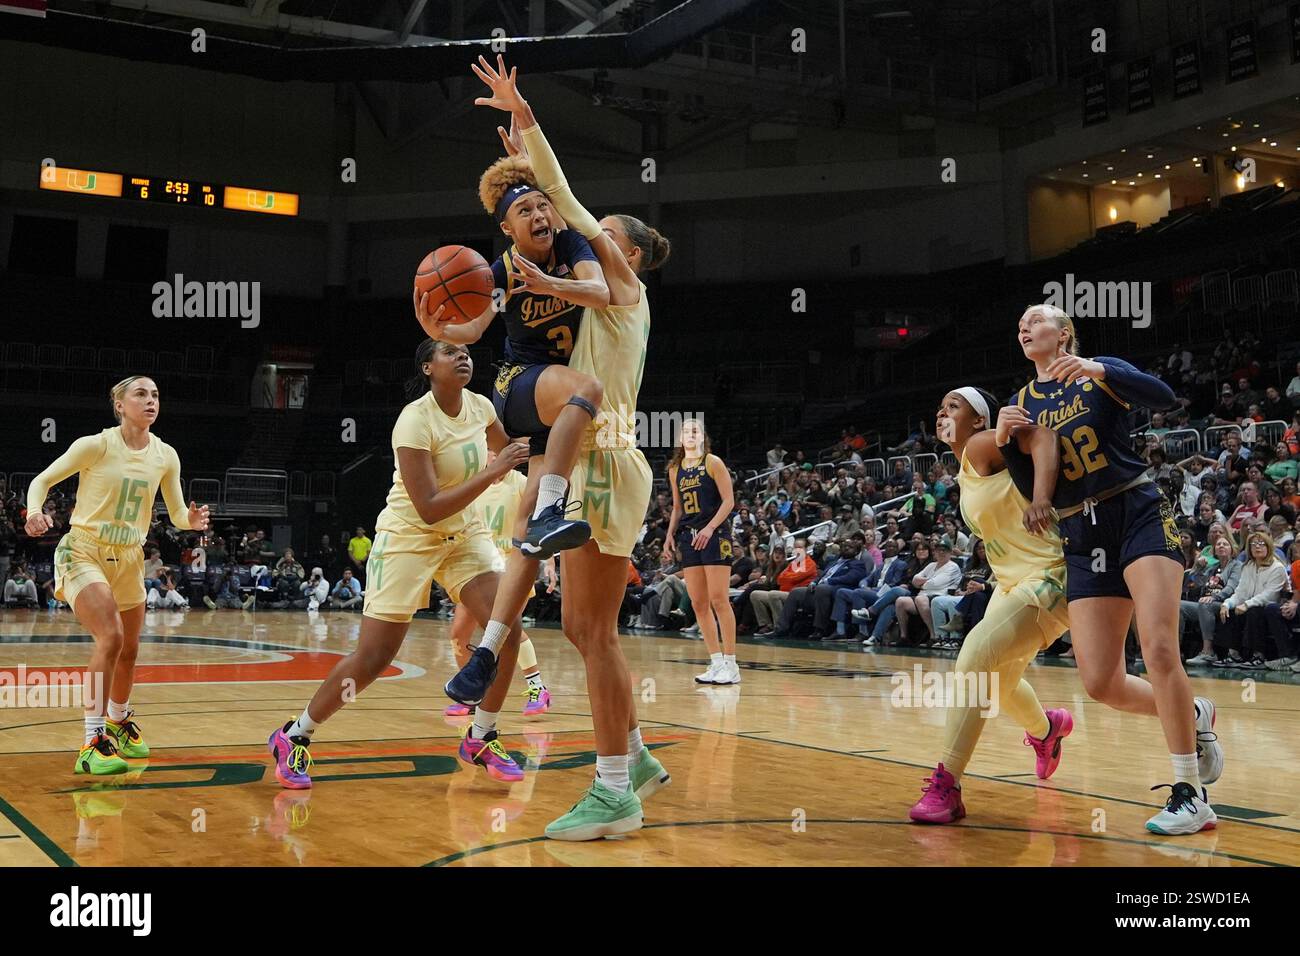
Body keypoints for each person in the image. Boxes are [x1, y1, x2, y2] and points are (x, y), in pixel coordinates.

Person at [461, 55, 675, 839]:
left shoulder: (622, 284)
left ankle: (615, 790)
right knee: (588, 631)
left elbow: (565, 199)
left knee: (594, 634)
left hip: (606, 458)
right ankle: (637, 757)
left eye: (606, 232)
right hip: (593, 453)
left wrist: (527, 122)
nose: (589, 231)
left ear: (630, 252)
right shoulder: (597, 292)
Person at [266, 338, 532, 789]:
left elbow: (512, 454)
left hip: (465, 534)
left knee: (506, 630)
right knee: (374, 657)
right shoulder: (414, 420)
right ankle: (296, 735)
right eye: (449, 351)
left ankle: (481, 735)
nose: (463, 355)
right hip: (410, 537)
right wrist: (493, 470)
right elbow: (429, 506)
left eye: (466, 350)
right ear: (428, 367)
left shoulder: (483, 407)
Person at [1004, 304, 1222, 835]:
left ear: (1065, 333)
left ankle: (1189, 793)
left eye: (1037, 319)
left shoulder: (1098, 371)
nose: (1025, 327)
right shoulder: (1020, 403)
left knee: (1159, 648)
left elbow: (1166, 398)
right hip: (1081, 532)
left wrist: (1105, 371)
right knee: (1101, 681)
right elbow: (1037, 485)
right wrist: (1011, 446)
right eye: (1021, 325)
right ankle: (1194, 716)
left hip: (1138, 510)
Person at [25, 375, 209, 774]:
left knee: (129, 650)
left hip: (129, 556)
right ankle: (92, 742)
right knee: (110, 637)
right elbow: (41, 481)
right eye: (140, 394)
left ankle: (118, 719)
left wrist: (190, 520)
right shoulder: (96, 445)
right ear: (119, 405)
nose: (151, 401)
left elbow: (176, 512)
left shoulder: (166, 455)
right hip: (83, 549)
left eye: (156, 395)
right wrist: (36, 511)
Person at [910, 387, 1073, 823]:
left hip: (1050, 575)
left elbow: (1042, 437)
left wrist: (1041, 498)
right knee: (998, 683)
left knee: (975, 658)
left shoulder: (983, 445)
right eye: (940, 406)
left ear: (978, 420)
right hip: (1010, 580)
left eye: (953, 406)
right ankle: (1046, 730)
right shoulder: (964, 464)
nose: (943, 412)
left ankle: (948, 784)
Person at [445, 449, 554, 717]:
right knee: (459, 634)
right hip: (479, 566)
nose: (495, 457)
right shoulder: (476, 483)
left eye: (498, 452)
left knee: (504, 630)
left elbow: (539, 519)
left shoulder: (518, 481)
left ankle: (537, 687)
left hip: (512, 566)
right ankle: (470, 692)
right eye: (491, 453)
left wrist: (549, 561)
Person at [666, 419, 741, 684]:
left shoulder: (713, 462)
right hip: (688, 537)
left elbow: (729, 501)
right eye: (685, 431)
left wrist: (709, 528)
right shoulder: (675, 469)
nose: (690, 435)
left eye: (694, 431)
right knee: (698, 602)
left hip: (715, 534)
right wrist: (668, 536)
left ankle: (731, 664)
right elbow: (677, 508)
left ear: (702, 437)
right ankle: (716, 661)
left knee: (719, 599)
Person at [1210, 531, 1287, 668]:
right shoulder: (1248, 566)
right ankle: (1233, 654)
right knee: (1230, 610)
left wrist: (1246, 604)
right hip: (1251, 604)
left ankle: (1259, 655)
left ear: (1268, 547)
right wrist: (1227, 603)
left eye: (1261, 544)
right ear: (1249, 548)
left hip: (1271, 608)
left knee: (1254, 611)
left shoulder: (1277, 568)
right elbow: (1241, 592)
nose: (1258, 547)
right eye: (1254, 544)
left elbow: (1269, 595)